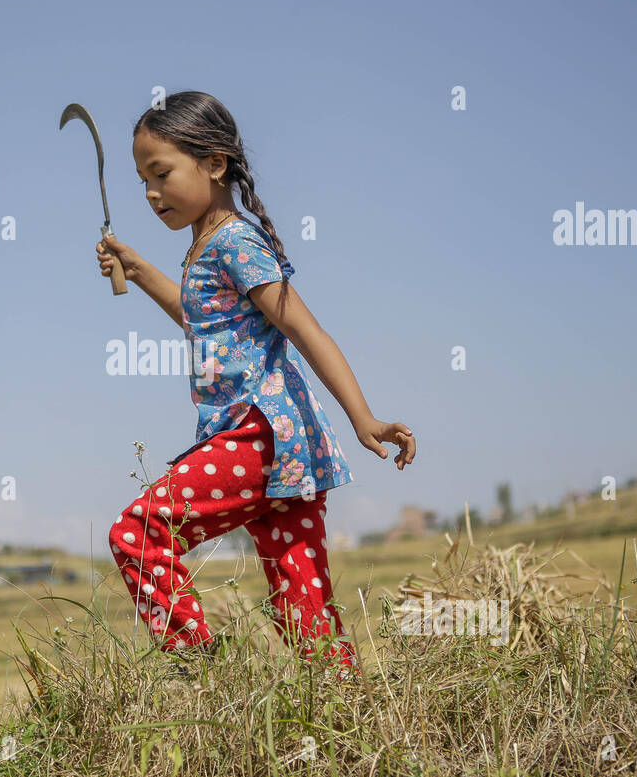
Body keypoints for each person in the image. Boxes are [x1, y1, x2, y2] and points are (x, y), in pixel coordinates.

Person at [96, 91, 416, 678]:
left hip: (258, 436)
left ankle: (202, 674)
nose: (150, 193)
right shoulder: (206, 246)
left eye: (161, 173)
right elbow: (204, 319)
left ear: (214, 163)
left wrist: (363, 417)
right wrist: (139, 271)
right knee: (303, 605)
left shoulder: (234, 242)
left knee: (137, 532)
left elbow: (305, 328)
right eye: (143, 180)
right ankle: (347, 715)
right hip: (283, 448)